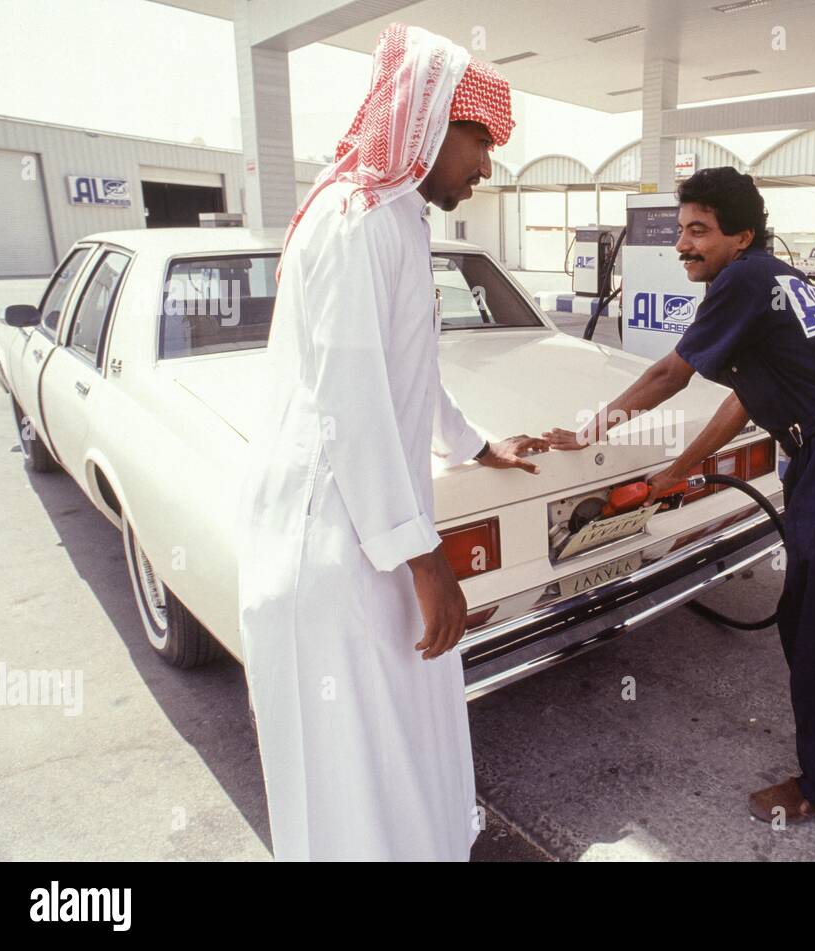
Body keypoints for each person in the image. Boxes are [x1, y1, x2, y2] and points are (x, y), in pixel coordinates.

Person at [237, 24, 546, 861]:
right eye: (481, 141)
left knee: (402, 760)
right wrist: (427, 559)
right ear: (432, 119)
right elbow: (353, 404)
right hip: (334, 547)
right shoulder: (355, 222)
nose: (487, 167)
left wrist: (476, 445)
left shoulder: (396, 217)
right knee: (352, 782)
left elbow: (406, 371)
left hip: (376, 535)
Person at [545, 167, 815, 824]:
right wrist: (678, 469)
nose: (683, 245)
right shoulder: (771, 278)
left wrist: (589, 431)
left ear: (741, 237)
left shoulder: (743, 279)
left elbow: (668, 374)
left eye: (700, 231)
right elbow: (742, 401)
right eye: (681, 230)